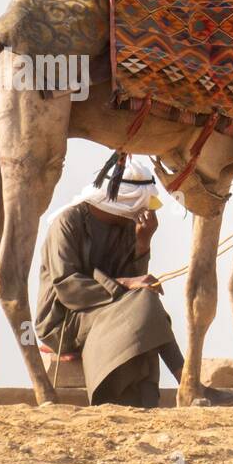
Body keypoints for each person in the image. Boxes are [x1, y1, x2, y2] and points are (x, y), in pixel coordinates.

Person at [34, 156, 191, 407]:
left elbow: (129, 285)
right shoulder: (68, 223)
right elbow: (68, 287)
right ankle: (188, 382)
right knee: (145, 304)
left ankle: (172, 388)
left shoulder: (127, 227)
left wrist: (142, 244)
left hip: (107, 309)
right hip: (64, 319)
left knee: (145, 308)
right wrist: (127, 283)